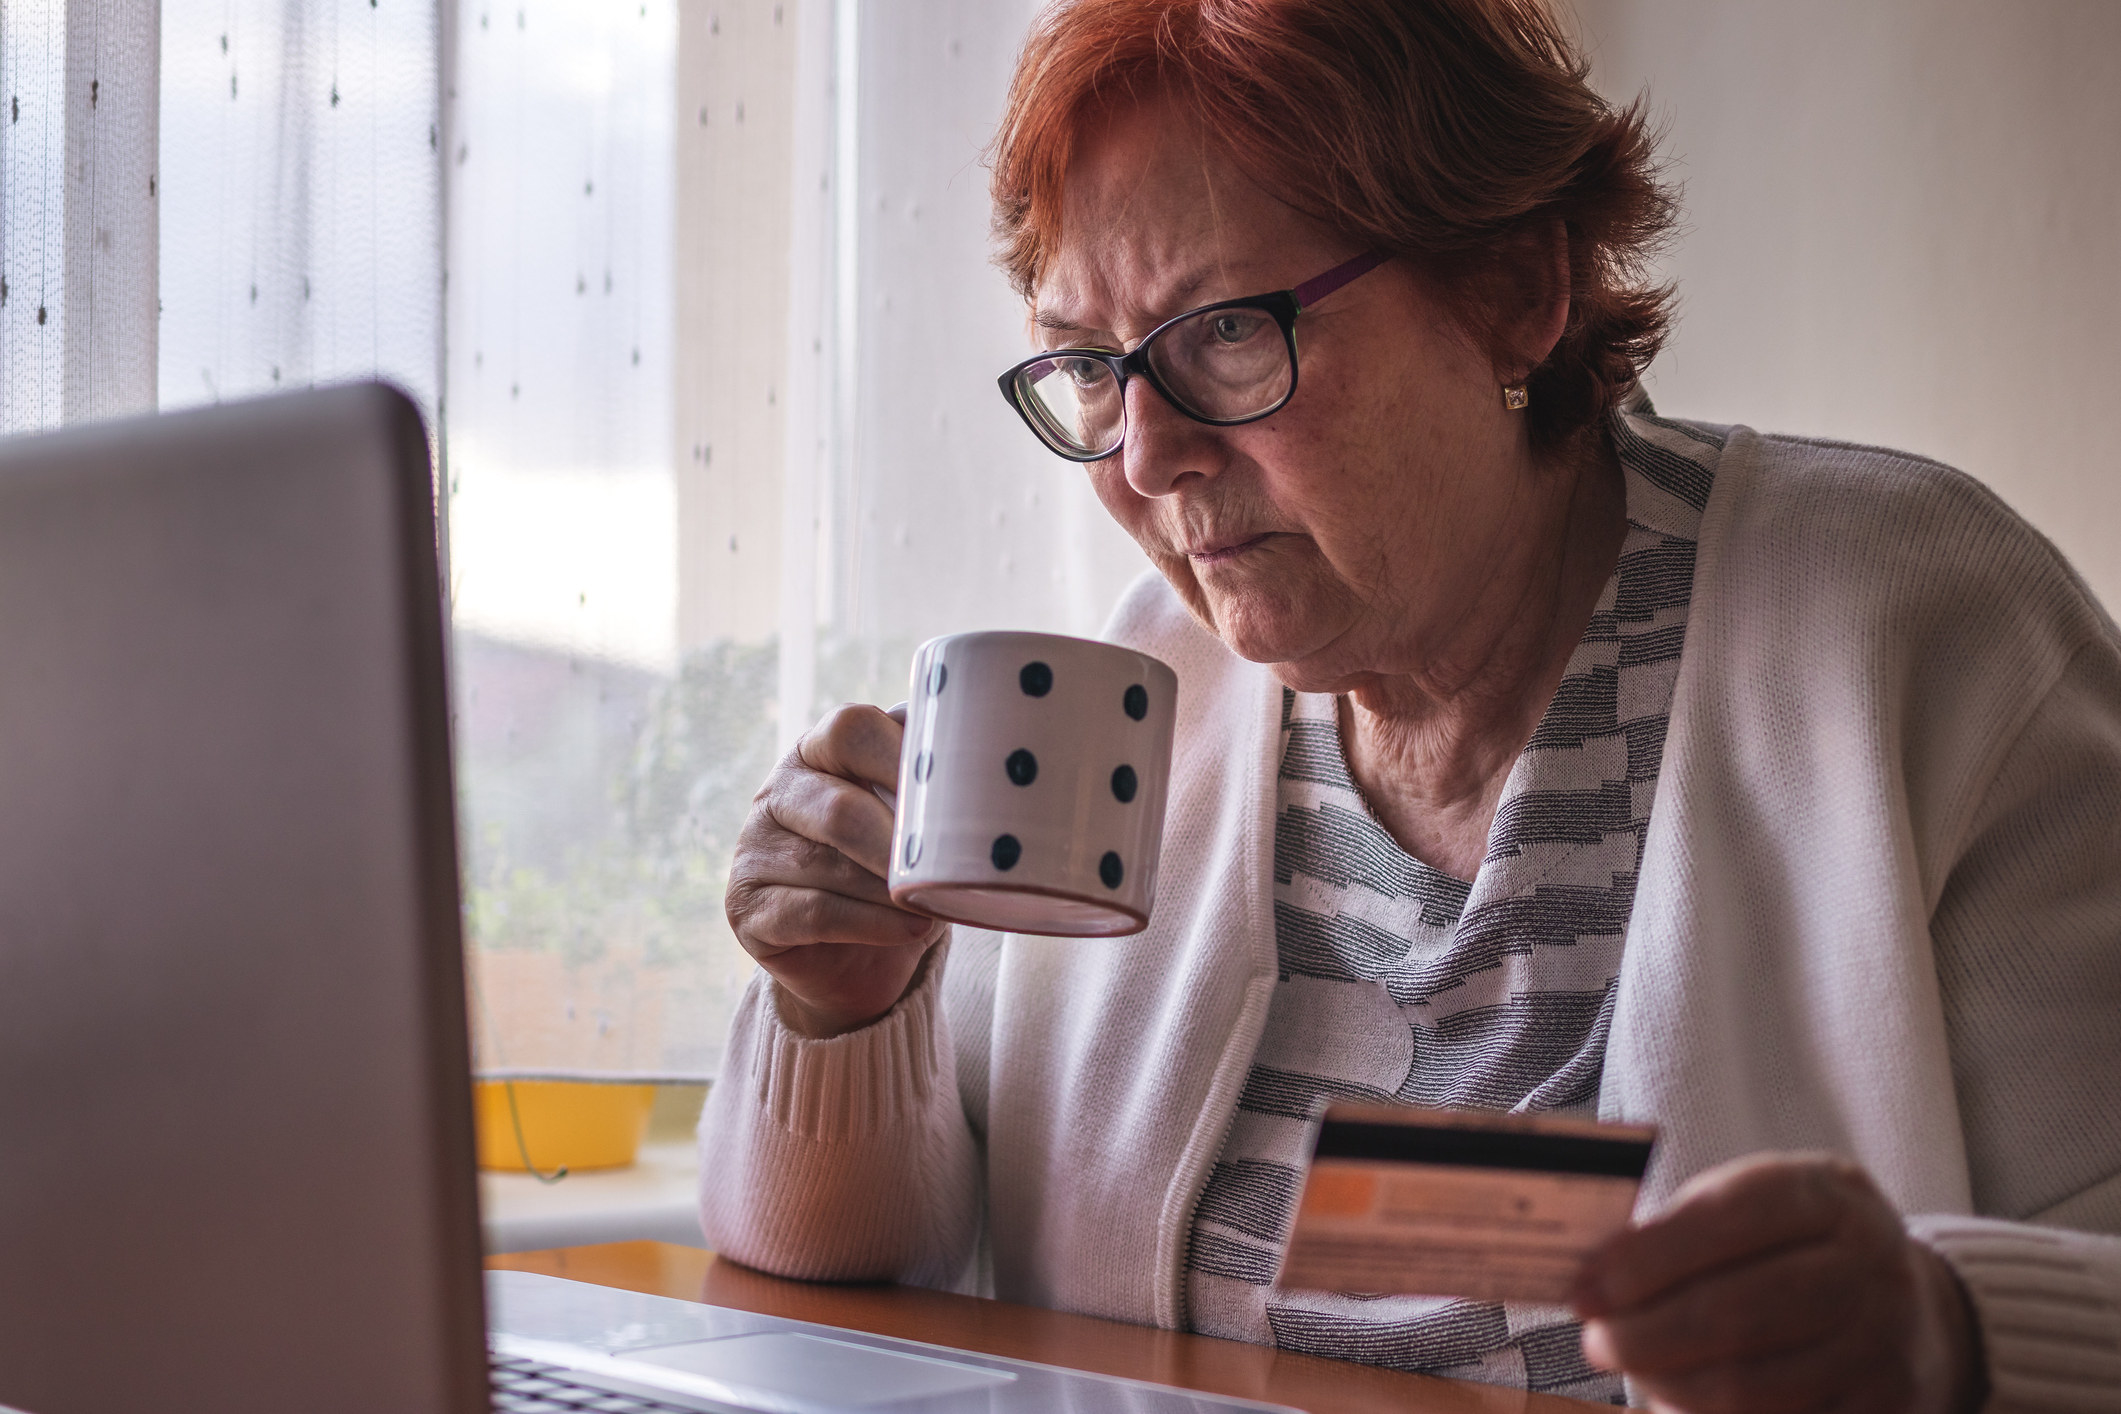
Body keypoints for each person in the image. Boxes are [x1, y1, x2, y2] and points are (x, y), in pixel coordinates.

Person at [701, 1, 2121, 1408]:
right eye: (1091, 367)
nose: (1145, 458)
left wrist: (1957, 1331)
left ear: (1511, 287)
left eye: (1224, 337)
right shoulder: (1147, 695)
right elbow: (861, 1270)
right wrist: (837, 1010)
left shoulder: (1909, 623)